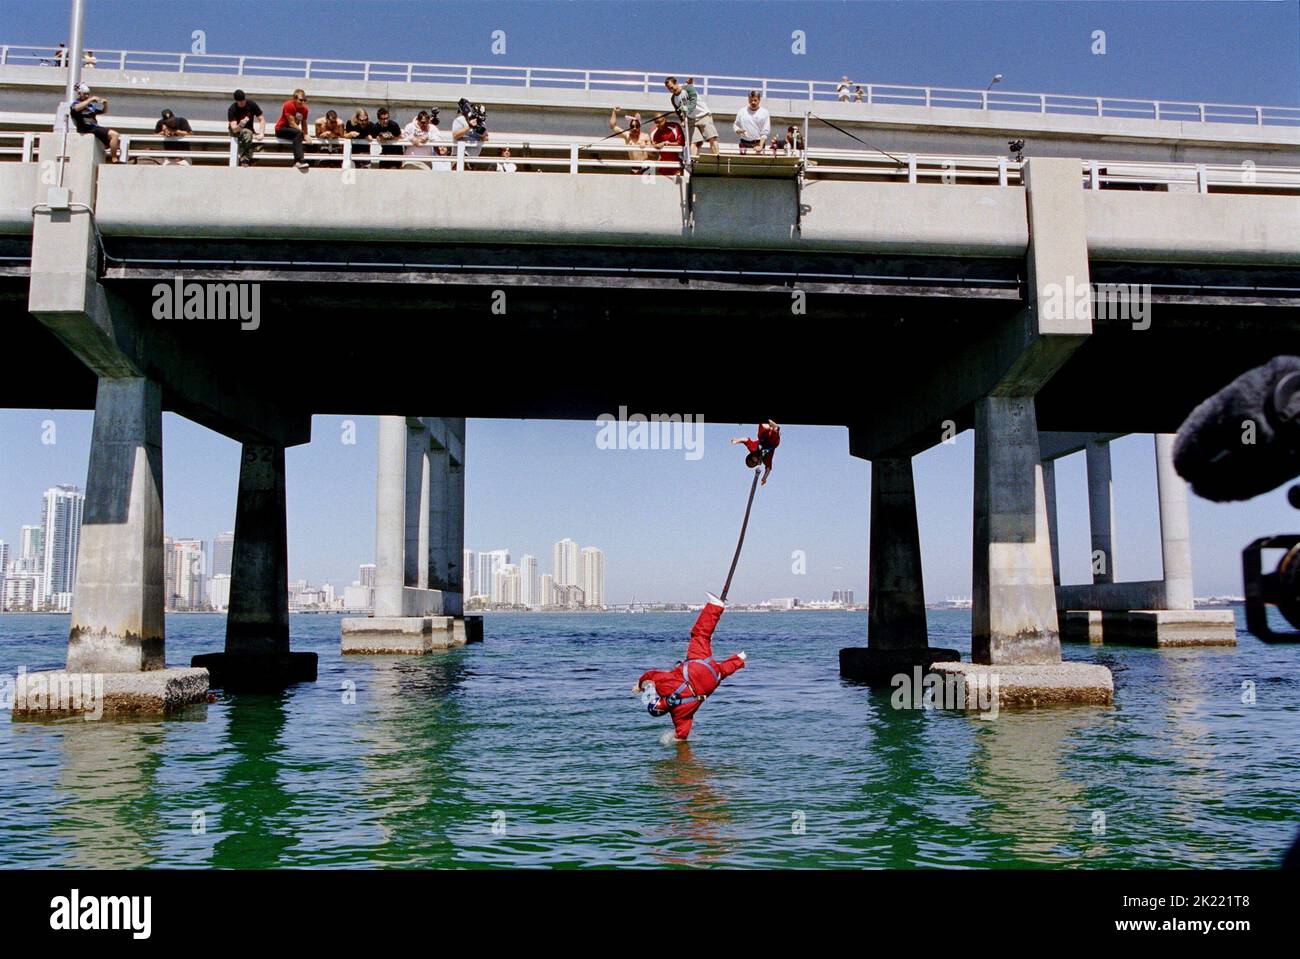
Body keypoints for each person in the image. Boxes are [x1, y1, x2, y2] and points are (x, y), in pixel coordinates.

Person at [634, 593, 747, 741]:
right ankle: (715, 606)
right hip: (696, 668)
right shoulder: (663, 688)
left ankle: (740, 659)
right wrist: (640, 685)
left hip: (710, 681)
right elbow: (651, 675)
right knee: (700, 635)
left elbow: (682, 735)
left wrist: (673, 740)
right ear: (657, 700)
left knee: (721, 671)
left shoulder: (679, 717)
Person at [664, 75, 718, 157]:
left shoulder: (688, 88)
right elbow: (679, 112)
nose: (671, 90)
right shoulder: (673, 99)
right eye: (669, 89)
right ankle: (693, 161)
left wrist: (687, 109)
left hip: (703, 116)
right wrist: (682, 120)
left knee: (711, 138)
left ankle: (717, 158)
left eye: (672, 87)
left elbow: (693, 103)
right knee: (693, 142)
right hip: (691, 120)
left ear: (676, 83)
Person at [68, 82, 119, 161]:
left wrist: (105, 104)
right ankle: (114, 159)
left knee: (112, 140)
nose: (87, 96)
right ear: (79, 93)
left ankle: (107, 152)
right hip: (86, 127)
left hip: (94, 127)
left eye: (88, 94)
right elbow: (76, 108)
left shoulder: (90, 106)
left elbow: (103, 111)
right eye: (85, 94)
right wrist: (90, 100)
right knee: (114, 135)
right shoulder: (76, 103)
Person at [731, 419, 781, 485]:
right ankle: (775, 429)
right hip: (773, 442)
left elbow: (746, 440)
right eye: (754, 462)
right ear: (756, 463)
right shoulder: (765, 459)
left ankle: (766, 425)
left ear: (751, 456)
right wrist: (764, 478)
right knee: (773, 441)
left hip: (764, 437)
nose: (754, 460)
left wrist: (737, 440)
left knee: (761, 435)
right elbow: (768, 469)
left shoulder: (752, 448)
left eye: (752, 459)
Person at [608, 107, 653, 174]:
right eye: (632, 126)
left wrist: (645, 147)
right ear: (630, 127)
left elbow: (652, 154)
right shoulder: (627, 136)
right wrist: (614, 112)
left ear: (640, 126)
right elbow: (613, 126)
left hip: (645, 168)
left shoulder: (645, 136)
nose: (635, 128)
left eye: (637, 126)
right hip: (634, 168)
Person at [275, 88, 312, 170]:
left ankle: (305, 161)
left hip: (294, 130)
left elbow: (304, 122)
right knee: (298, 134)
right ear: (294, 98)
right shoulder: (288, 105)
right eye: (301, 100)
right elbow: (291, 122)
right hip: (281, 128)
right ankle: (298, 161)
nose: (303, 102)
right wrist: (303, 134)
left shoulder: (305, 109)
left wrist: (306, 134)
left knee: (301, 135)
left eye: (304, 100)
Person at [227, 89, 264, 167]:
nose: (242, 103)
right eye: (239, 102)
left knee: (261, 147)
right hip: (236, 131)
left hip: (249, 131)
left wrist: (261, 133)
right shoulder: (232, 109)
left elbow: (262, 119)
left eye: (243, 100)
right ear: (236, 101)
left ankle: (250, 161)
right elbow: (234, 128)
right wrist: (240, 125)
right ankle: (244, 159)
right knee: (247, 133)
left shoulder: (251, 104)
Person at [451, 98, 489, 166]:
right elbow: (455, 135)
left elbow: (486, 137)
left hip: (473, 158)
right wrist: (470, 126)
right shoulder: (460, 120)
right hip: (460, 156)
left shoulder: (482, 123)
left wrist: (479, 129)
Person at [732, 89, 771, 154]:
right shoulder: (742, 111)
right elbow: (735, 125)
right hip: (744, 143)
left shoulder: (765, 113)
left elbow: (765, 132)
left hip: (758, 143)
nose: (753, 102)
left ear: (759, 100)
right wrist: (738, 130)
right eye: (751, 100)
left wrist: (760, 146)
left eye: (755, 100)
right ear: (748, 100)